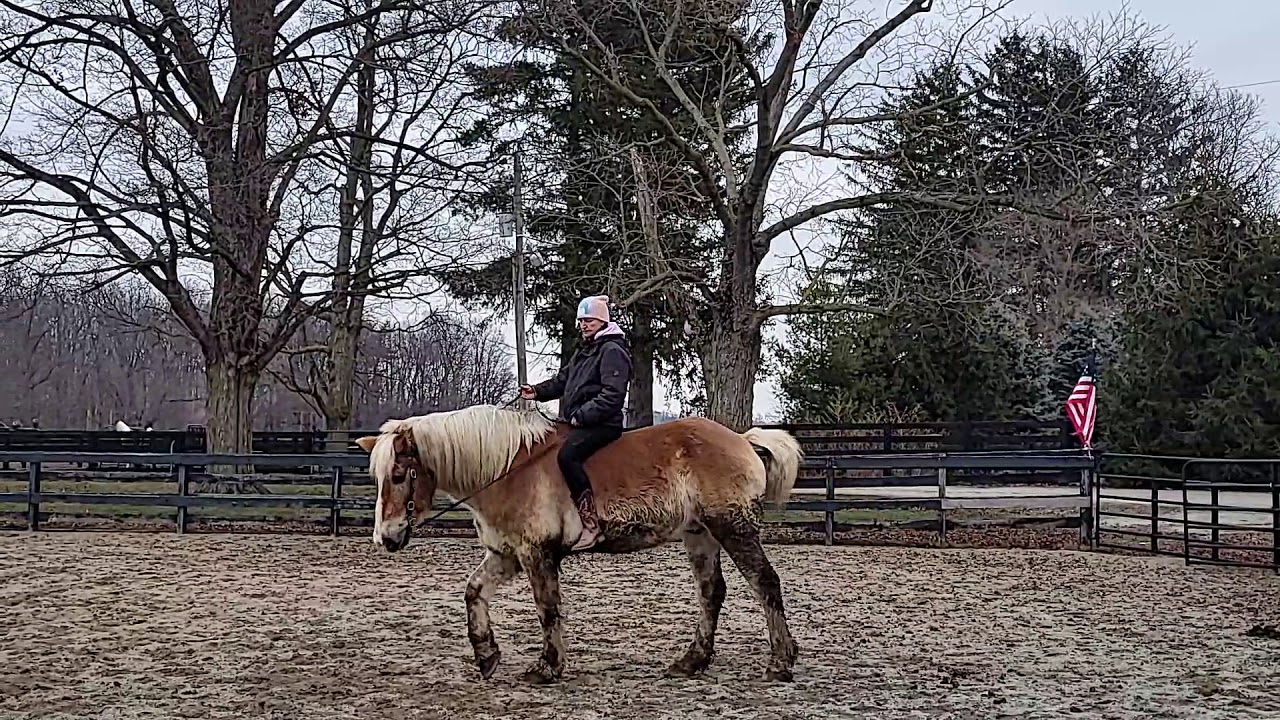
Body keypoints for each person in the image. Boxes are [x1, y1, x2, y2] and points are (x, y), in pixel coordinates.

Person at [520, 294, 631, 550]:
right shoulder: (585, 351)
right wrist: (536, 391)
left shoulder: (612, 351)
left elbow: (612, 395)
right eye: (581, 320)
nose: (584, 325)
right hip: (579, 422)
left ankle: (591, 524)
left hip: (602, 424)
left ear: (603, 321)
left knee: (567, 456)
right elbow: (562, 381)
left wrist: (583, 415)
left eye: (590, 320)